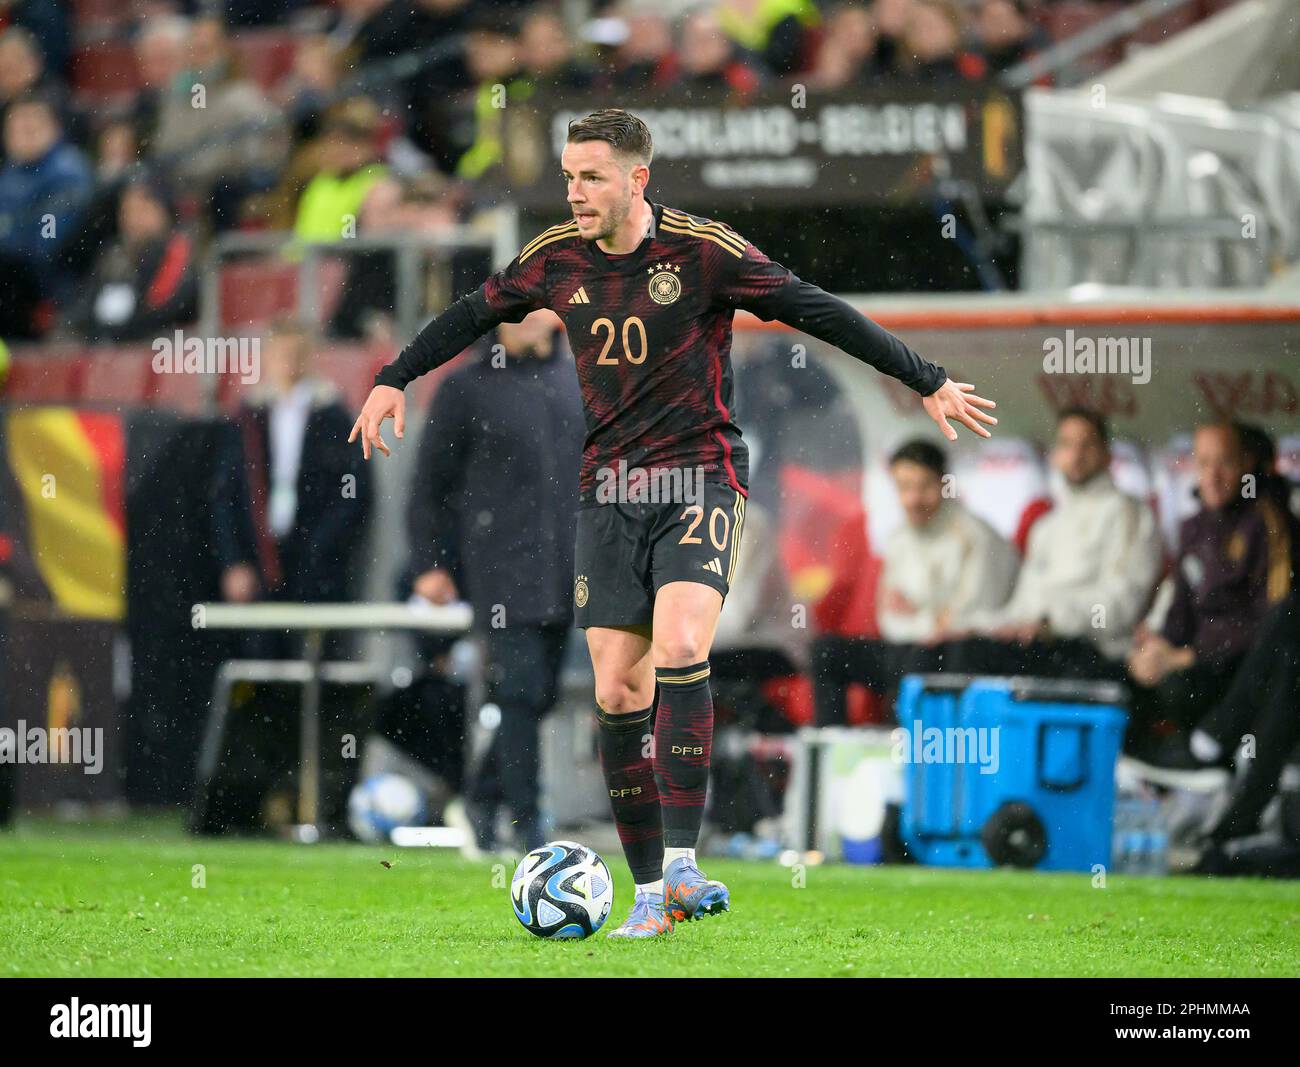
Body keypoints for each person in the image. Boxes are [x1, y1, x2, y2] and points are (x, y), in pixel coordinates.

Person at [348, 108, 995, 938]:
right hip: (608, 491)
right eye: (569, 176)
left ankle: (686, 865)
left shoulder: (703, 250)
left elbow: (816, 309)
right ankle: (649, 893)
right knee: (620, 689)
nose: (575, 193)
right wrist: (394, 376)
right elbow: (472, 314)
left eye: (591, 177)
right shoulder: (556, 259)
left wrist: (927, 377)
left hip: (702, 479)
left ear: (637, 179)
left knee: (685, 646)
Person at [406, 309, 584, 853]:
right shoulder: (466, 388)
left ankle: (481, 797)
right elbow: (429, 484)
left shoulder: (575, 382)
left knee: (537, 695)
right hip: (501, 567)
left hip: (565, 567)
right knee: (520, 689)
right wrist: (430, 563)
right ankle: (526, 826)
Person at [944, 408, 1163, 680]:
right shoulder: (1046, 527)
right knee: (952, 650)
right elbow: (1022, 608)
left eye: (1087, 444)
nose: (1076, 455)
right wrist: (970, 625)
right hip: (1039, 645)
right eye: (1067, 444)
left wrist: (1051, 622)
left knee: (971, 658)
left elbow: (1121, 608)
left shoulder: (1129, 513)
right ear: (1056, 455)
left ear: (1107, 455)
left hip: (1097, 652)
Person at [812, 437, 1018, 723]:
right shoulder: (898, 540)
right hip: (907, 646)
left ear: (945, 483)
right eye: (904, 488)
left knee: (927, 656)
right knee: (827, 652)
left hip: (955, 654)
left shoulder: (976, 537)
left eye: (924, 487)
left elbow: (968, 620)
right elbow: (889, 619)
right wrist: (929, 621)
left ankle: (908, 755)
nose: (913, 499)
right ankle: (829, 750)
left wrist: (920, 617)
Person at [1126, 422, 1296, 748]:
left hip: (1239, 673)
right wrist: (1156, 647)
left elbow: (1274, 626)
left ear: (1247, 464)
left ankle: (1211, 753)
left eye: (1225, 463)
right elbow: (1181, 610)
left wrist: (1191, 656)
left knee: (1180, 684)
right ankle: (1160, 766)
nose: (1213, 475)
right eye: (1203, 463)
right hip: (1196, 664)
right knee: (1123, 676)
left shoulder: (1269, 522)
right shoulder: (1194, 527)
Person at [212, 318, 371, 659]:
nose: (288, 363)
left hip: (314, 560)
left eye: (296, 354)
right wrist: (234, 559)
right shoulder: (249, 417)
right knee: (261, 661)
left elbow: (354, 489)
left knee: (315, 658)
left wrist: (322, 546)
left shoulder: (332, 414)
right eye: (281, 354)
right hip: (262, 557)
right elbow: (226, 494)